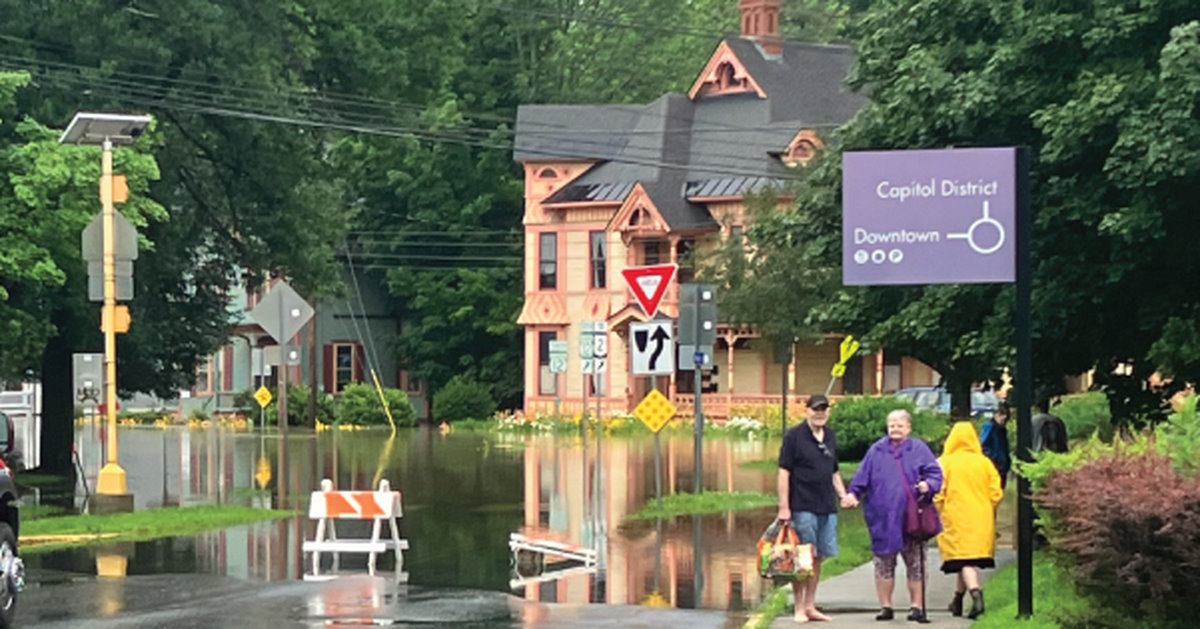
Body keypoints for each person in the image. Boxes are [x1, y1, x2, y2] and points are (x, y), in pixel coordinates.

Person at [842, 409, 943, 622]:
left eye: (899, 425)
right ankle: (885, 606)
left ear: (908, 428)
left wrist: (928, 485)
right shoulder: (876, 450)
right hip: (882, 518)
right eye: (892, 425)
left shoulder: (919, 449)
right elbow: (861, 478)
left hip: (912, 517)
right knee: (883, 563)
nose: (895, 428)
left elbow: (935, 474)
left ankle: (916, 606)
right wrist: (853, 494)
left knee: (916, 563)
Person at [777, 393, 849, 623]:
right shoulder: (794, 437)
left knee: (818, 558)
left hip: (826, 506)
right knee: (802, 557)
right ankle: (798, 607)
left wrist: (843, 494)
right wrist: (784, 507)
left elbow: (833, 470)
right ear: (806, 410)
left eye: (824, 409)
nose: (820, 413)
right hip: (802, 505)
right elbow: (783, 472)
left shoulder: (829, 436)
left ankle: (810, 605)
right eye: (815, 409)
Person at [935, 422, 1004, 619]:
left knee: (963, 559)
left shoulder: (944, 463)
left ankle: (976, 596)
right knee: (966, 561)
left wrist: (937, 513)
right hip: (981, 518)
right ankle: (957, 600)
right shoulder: (984, 463)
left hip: (955, 517)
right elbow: (996, 493)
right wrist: (989, 509)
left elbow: (938, 493)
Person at [978, 405, 1011, 489]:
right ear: (996, 414)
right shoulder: (990, 427)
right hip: (995, 466)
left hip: (1001, 467)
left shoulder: (1001, 430)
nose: (1004, 419)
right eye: (1001, 414)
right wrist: (994, 459)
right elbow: (982, 446)